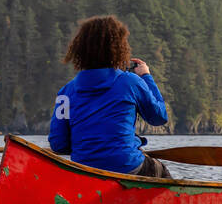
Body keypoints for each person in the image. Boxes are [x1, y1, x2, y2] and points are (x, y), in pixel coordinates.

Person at [48, 15, 172, 177]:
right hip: (127, 166)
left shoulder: (66, 92)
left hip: (83, 171)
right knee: (159, 171)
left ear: (80, 50)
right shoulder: (131, 82)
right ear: (119, 49)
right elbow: (159, 117)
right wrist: (146, 77)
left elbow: (58, 144)